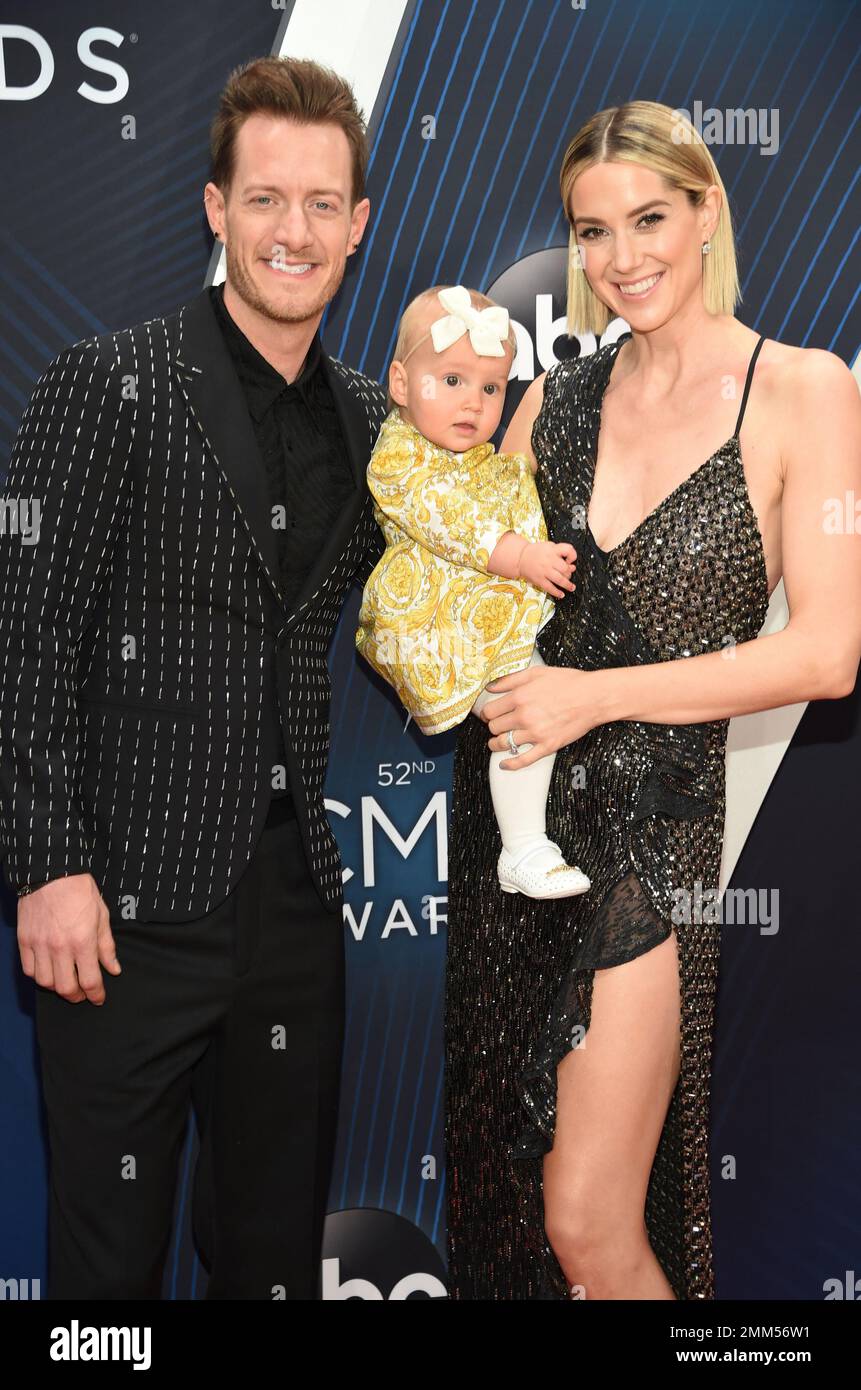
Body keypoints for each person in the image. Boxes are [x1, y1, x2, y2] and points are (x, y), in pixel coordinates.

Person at [445, 99, 861, 1300]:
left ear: (706, 211)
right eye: (592, 232)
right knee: (512, 1205)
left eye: (648, 220)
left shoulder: (803, 392)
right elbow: (483, 608)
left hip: (654, 845)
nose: (621, 258)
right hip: (517, 830)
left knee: (588, 1217)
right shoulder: (553, 402)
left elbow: (829, 653)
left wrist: (593, 695)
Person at [0, 55, 388, 1299]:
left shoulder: (376, 427)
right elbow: (26, 640)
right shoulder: (105, 384)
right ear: (217, 208)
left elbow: (447, 606)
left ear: (358, 225)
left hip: (293, 909)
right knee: (106, 1271)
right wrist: (48, 865)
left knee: (272, 1260)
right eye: (265, 198)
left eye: (321, 204)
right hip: (118, 915)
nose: (294, 232)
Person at [356, 284, 590, 898]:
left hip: (478, 615)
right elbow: (452, 520)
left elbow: (507, 483)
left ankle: (526, 843)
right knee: (525, 711)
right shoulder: (397, 459)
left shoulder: (478, 459)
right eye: (453, 380)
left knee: (529, 708)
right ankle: (524, 846)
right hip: (437, 625)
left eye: (491, 388)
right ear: (401, 384)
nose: (473, 403)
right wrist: (524, 556)